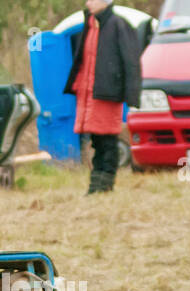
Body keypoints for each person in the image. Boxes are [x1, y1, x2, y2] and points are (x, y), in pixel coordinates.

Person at [64, 0, 141, 195]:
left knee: (108, 140)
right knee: (96, 140)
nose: (88, 3)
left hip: (107, 92)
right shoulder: (89, 25)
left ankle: (106, 184)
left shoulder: (119, 25)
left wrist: (132, 95)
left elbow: (131, 62)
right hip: (89, 93)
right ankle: (95, 185)